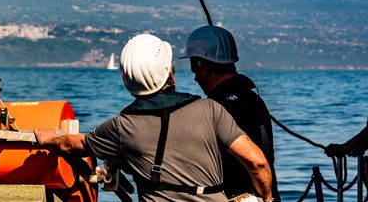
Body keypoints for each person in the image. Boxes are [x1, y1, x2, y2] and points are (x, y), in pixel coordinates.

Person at [35, 33, 273, 202]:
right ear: (169, 72)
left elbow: (72, 144)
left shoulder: (121, 126)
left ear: (126, 79)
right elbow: (258, 162)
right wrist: (268, 199)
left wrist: (47, 138)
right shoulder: (210, 109)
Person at [182, 25, 280, 201]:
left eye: (193, 66)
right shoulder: (253, 98)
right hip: (266, 193)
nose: (195, 76)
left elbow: (256, 162)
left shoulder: (215, 107)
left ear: (201, 64)